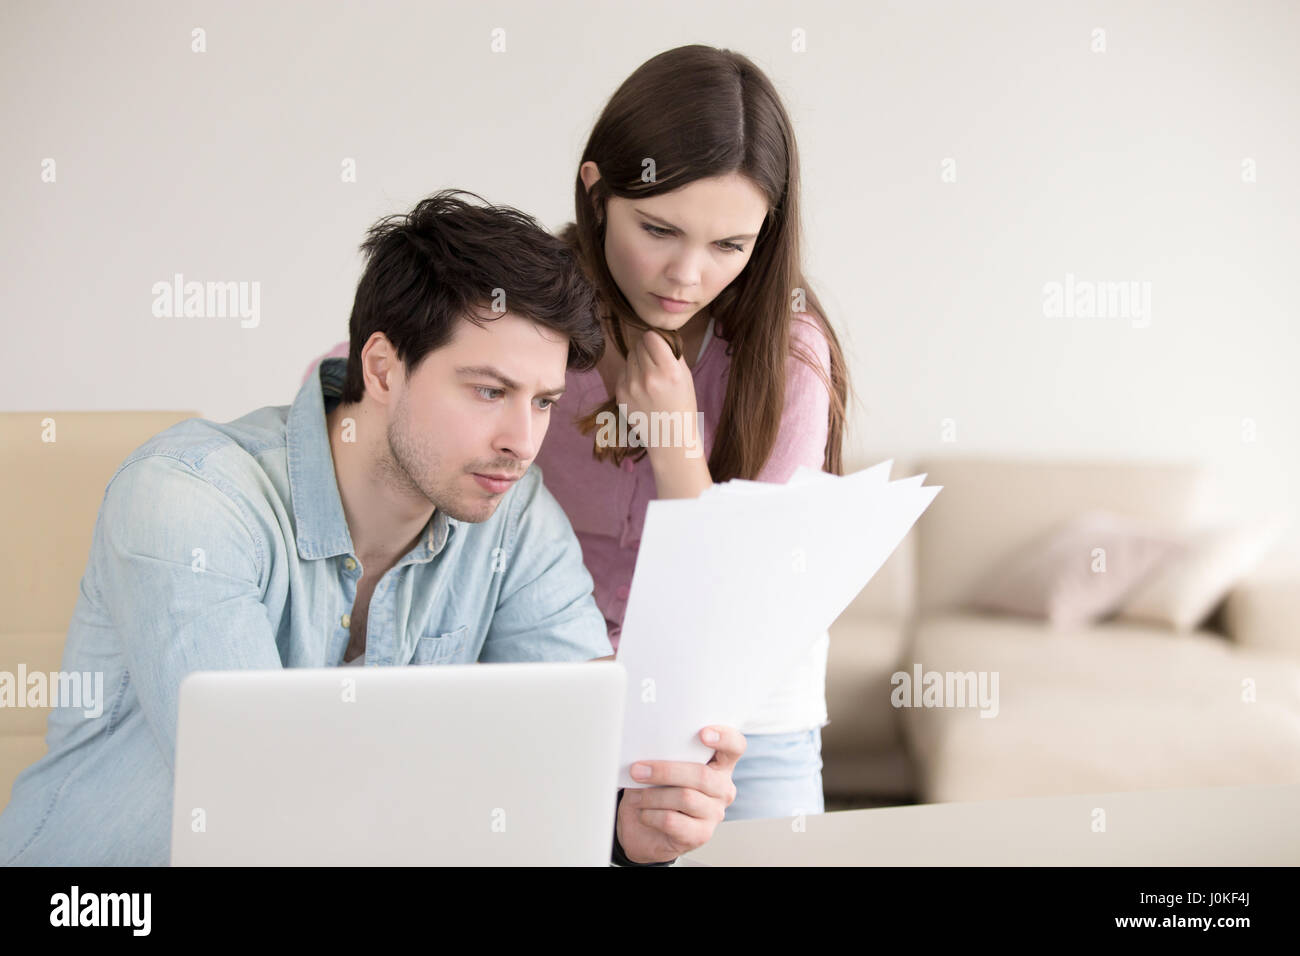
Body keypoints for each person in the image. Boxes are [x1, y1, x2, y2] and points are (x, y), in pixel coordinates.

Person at [0, 191, 742, 866]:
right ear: (383, 369)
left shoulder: (513, 518)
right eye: (489, 391)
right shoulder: (190, 502)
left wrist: (625, 822)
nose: (523, 439)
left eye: (544, 401)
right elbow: (261, 808)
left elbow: (583, 749)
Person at [308, 45, 851, 823]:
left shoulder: (790, 358)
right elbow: (358, 378)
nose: (687, 276)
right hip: (555, 688)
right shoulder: (533, 315)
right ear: (597, 193)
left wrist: (675, 448)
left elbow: (737, 616)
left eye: (730, 245)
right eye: (659, 230)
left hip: (736, 716)